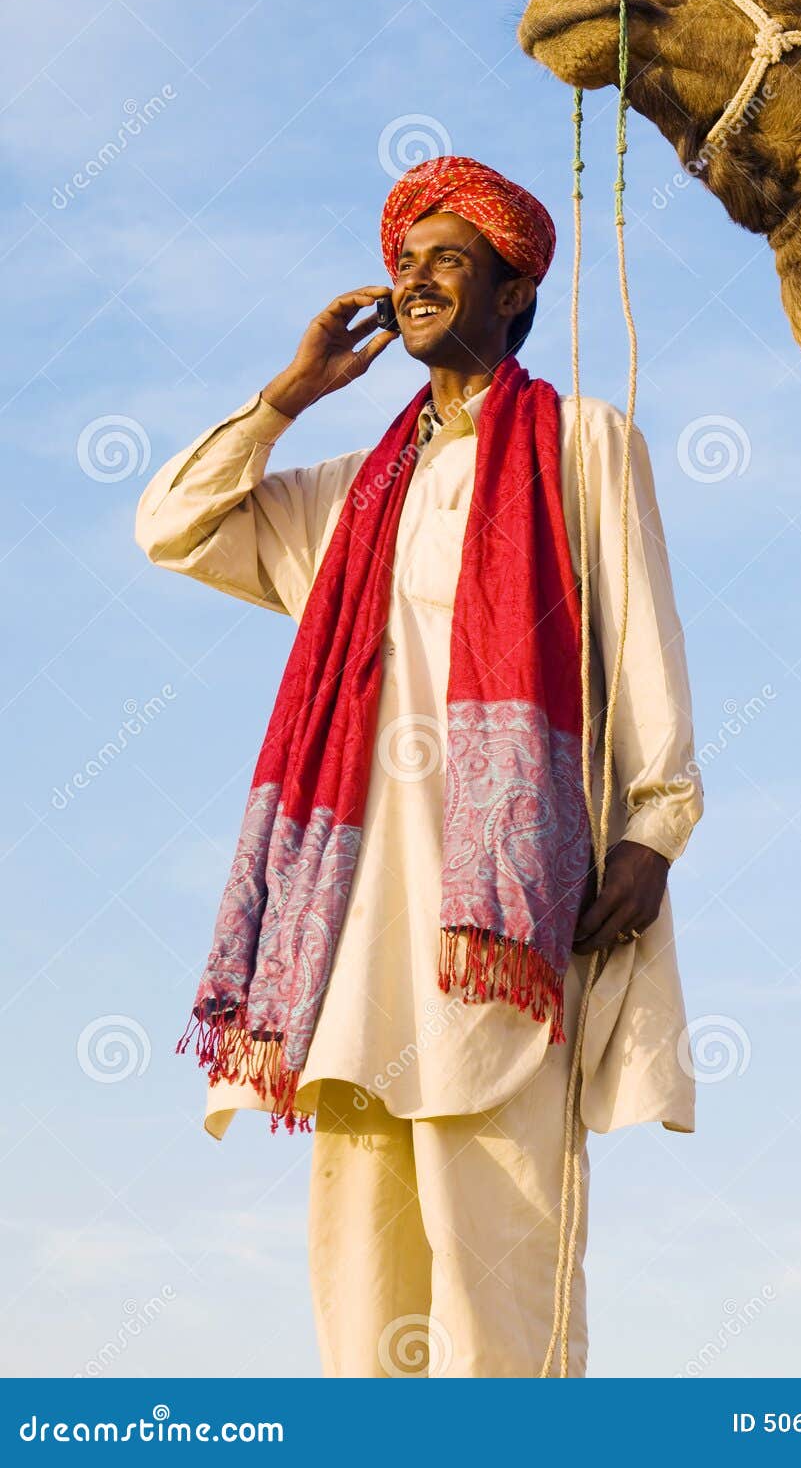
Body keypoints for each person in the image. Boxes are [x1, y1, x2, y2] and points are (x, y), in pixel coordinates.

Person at [135, 154, 702, 1378]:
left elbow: (641, 641)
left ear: (516, 291)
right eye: (405, 261)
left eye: (450, 258)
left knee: (503, 1259)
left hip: (505, 923)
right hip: (351, 940)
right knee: (360, 1277)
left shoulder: (584, 447)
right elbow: (171, 526)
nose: (417, 278)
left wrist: (653, 828)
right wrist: (288, 397)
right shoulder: (348, 498)